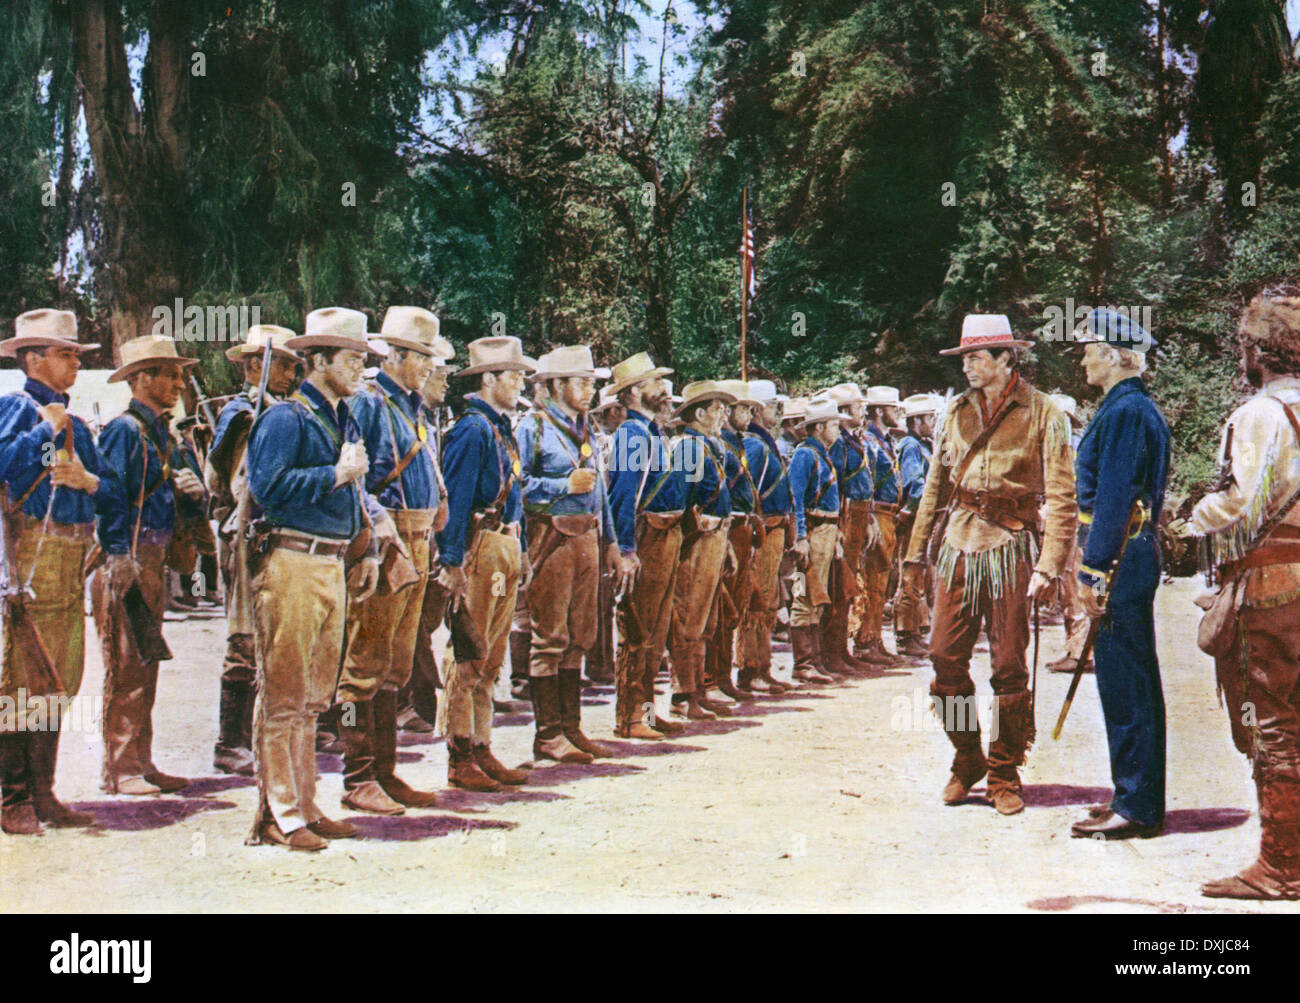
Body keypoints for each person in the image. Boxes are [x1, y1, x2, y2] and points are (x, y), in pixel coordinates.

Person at [902, 314, 1076, 816]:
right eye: (964, 359)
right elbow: (935, 488)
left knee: (1008, 665)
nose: (969, 367)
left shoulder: (1044, 413)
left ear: (1006, 359)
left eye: (977, 357)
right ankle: (967, 756)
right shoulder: (953, 412)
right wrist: (915, 555)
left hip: (1012, 545)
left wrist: (1049, 566)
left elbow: (1063, 496)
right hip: (958, 544)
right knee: (944, 658)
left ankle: (1004, 769)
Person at [244, 307, 396, 850]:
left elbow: (357, 497)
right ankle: (279, 813)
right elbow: (267, 487)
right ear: (320, 359)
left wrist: (368, 550)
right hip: (291, 559)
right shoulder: (286, 418)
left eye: (362, 359)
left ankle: (304, 804)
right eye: (352, 358)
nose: (360, 368)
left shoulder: (341, 418)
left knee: (312, 699)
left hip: (331, 561)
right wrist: (334, 473)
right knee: (285, 694)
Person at [1191, 287, 1300, 899]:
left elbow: (1240, 502)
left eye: (1244, 344)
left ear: (1260, 350)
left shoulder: (1259, 414)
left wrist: (1189, 518)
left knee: (1274, 723)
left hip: (1274, 587)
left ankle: (1282, 866)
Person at [335, 306, 448, 815]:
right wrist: (377, 536)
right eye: (422, 357)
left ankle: (384, 771)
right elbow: (354, 476)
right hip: (387, 541)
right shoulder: (370, 403)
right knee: (363, 665)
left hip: (419, 539)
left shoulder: (414, 407)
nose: (429, 367)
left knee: (396, 665)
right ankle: (358, 776)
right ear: (397, 356)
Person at [1066, 308, 1170, 841]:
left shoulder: (1126, 411)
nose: (1082, 358)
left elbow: (1114, 498)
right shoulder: (1129, 407)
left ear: (1112, 354)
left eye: (1088, 348)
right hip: (1128, 553)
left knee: (1125, 681)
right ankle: (1136, 796)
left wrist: (1092, 570)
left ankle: (1135, 802)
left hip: (1120, 555)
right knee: (1131, 678)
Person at [0, 310, 105, 833]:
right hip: (27, 558)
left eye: (77, 355)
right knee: (21, 677)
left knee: (59, 676)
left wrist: (86, 481)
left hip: (70, 558)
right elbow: (9, 469)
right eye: (66, 354)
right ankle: (13, 797)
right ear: (34, 357)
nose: (75, 364)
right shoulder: (18, 409)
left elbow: (104, 487)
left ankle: (43, 792)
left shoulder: (76, 422)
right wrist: (47, 433)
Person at [92, 335, 207, 797]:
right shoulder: (125, 431)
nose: (181, 383)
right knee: (126, 666)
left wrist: (193, 492)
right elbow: (111, 498)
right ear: (142, 379)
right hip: (131, 557)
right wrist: (118, 555)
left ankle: (141, 759)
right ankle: (121, 768)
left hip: (153, 557)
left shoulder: (163, 431)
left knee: (145, 662)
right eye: (171, 374)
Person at [516, 346, 633, 762]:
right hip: (551, 539)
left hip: (587, 538)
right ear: (555, 386)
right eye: (581, 382)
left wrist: (613, 544)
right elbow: (517, 488)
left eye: (591, 383)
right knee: (549, 638)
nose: (589, 390)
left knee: (579, 637)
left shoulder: (585, 429)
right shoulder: (532, 427)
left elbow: (598, 490)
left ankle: (571, 727)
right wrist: (562, 487)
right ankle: (548, 734)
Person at [434, 336, 534, 790]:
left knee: (491, 659)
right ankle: (459, 754)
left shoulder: (499, 427)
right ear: (489, 378)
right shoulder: (472, 429)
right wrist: (451, 562)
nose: (519, 382)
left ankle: (481, 745)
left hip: (503, 543)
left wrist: (523, 547)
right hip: (480, 546)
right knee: (469, 655)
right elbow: (454, 502)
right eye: (513, 375)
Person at [204, 325, 301, 777]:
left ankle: (267, 734)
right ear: (253, 365)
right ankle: (231, 743)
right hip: (245, 532)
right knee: (244, 636)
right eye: (280, 362)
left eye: (291, 363)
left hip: (278, 534)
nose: (289, 371)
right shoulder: (241, 414)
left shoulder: (284, 411)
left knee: (277, 636)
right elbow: (223, 480)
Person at [607, 353, 684, 740]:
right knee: (639, 629)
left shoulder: (652, 432)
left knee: (657, 629)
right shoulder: (632, 435)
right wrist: (625, 548)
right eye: (656, 382)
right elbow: (623, 495)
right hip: (646, 537)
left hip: (666, 534)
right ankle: (630, 717)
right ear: (636, 391)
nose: (664, 390)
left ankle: (648, 713)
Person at [667, 382, 736, 720]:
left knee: (706, 618)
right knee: (688, 617)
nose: (722, 415)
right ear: (699, 413)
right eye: (717, 409)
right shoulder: (689, 448)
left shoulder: (707, 446)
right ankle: (683, 694)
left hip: (717, 536)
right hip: (697, 540)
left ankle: (698, 688)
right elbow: (683, 499)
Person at [398, 346, 457, 733]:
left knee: (420, 622)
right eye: (438, 372)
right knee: (402, 625)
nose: (444, 380)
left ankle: (415, 699)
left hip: (426, 538)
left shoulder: (426, 420)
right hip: (401, 533)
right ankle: (410, 701)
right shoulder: (393, 412)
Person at [706, 380, 763, 703]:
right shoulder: (719, 444)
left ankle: (723, 674)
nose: (749, 413)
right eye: (743, 408)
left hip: (741, 526)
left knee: (734, 606)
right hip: (724, 528)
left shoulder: (737, 444)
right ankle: (710, 677)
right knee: (720, 603)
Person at [737, 379, 792, 694]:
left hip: (775, 528)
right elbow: (748, 490)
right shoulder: (756, 445)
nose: (777, 411)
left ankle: (763, 665)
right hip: (763, 529)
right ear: (757, 410)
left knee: (769, 601)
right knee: (757, 599)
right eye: (773, 405)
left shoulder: (765, 442)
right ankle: (750, 667)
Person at [824, 383, 882, 674]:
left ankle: (842, 650)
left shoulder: (853, 439)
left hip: (859, 513)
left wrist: (869, 517)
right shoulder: (841, 445)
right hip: (846, 514)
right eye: (859, 406)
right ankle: (832, 652)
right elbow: (837, 484)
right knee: (841, 583)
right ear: (846, 410)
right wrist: (838, 524)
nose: (865, 410)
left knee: (850, 583)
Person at [787, 398, 842, 684]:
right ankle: (803, 662)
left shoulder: (822, 453)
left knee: (816, 597)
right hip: (811, 531)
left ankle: (814, 659)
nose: (838, 430)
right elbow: (795, 498)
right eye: (834, 424)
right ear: (819, 427)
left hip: (826, 530)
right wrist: (799, 537)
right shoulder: (805, 454)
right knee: (803, 595)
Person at [855, 385, 907, 665]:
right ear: (878, 411)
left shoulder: (885, 441)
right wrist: (870, 518)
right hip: (877, 513)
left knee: (883, 579)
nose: (898, 412)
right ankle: (865, 640)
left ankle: (875, 638)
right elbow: (867, 485)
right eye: (893, 408)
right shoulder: (869, 442)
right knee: (873, 579)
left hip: (890, 514)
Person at [1044, 393, 1094, 675]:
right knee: (1067, 587)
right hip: (1067, 521)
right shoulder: (1068, 445)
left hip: (1074, 521)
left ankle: (1080, 653)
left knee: (1075, 586)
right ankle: (1074, 649)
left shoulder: (1072, 447)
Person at [894, 393, 940, 658]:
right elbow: (916, 484)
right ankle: (904, 634)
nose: (932, 422)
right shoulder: (911, 445)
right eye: (929, 418)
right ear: (917, 420)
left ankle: (913, 631)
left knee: (919, 575)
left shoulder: (924, 444)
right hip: (915, 517)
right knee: (910, 574)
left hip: (924, 516)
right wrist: (912, 510)